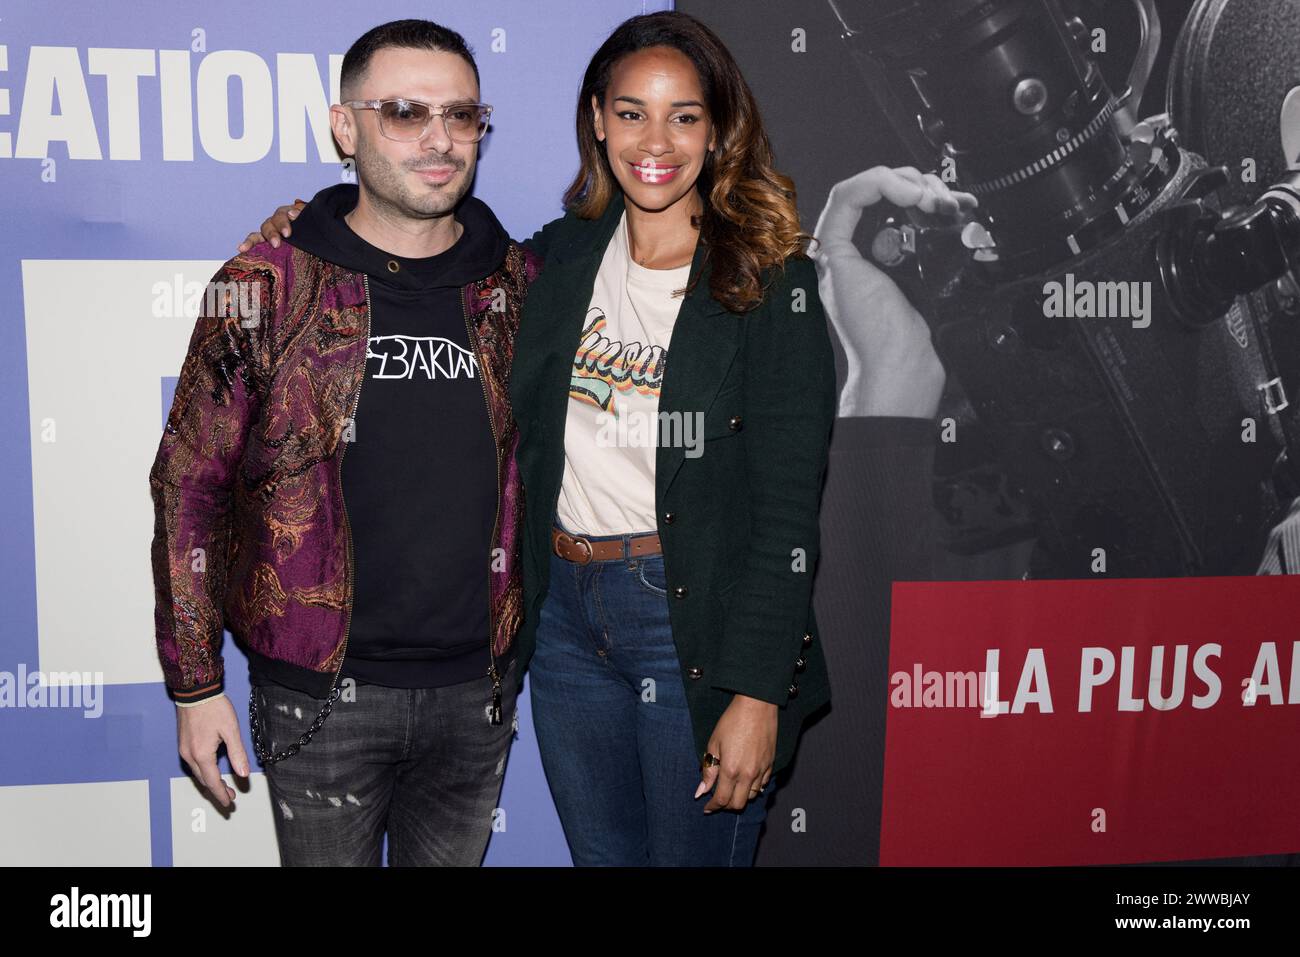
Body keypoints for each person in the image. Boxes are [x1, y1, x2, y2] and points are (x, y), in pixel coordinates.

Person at [246, 12, 973, 867]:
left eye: (684, 115)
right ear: (597, 119)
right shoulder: (556, 261)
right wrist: (313, 226)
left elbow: (786, 516)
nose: (654, 141)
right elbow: (421, 244)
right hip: (561, 627)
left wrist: (756, 692)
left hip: (689, 618)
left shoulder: (773, 282)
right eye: (631, 113)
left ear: (718, 127)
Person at [152, 19, 537, 866]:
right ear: (345, 126)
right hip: (317, 694)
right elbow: (189, 485)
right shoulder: (263, 284)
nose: (439, 138)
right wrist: (195, 681)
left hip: (479, 690)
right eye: (404, 111)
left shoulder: (518, 284)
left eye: (462, 114)